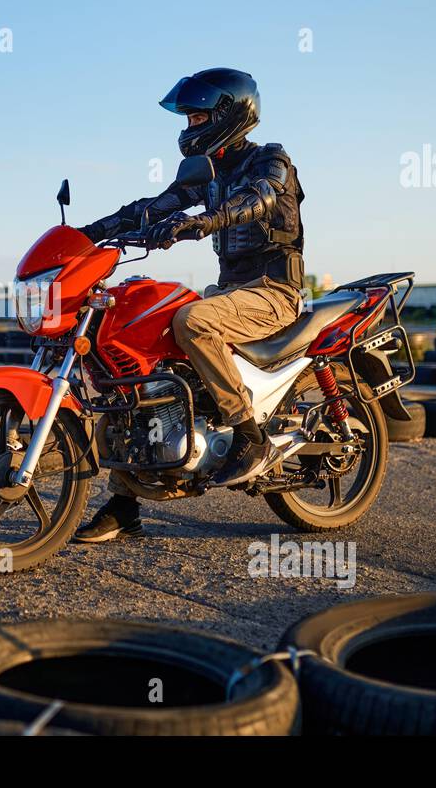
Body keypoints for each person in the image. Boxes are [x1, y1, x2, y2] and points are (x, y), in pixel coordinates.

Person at [73, 68, 306, 543]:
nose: (189, 126)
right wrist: (85, 235)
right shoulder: (207, 171)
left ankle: (249, 435)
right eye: (188, 117)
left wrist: (201, 223)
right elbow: (154, 205)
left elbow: (258, 200)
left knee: (193, 321)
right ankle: (124, 502)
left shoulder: (271, 161)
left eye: (198, 115)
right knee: (146, 348)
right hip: (231, 293)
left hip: (273, 292)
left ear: (230, 114)